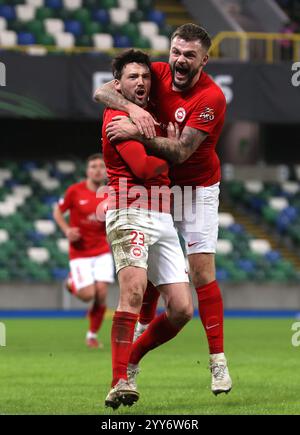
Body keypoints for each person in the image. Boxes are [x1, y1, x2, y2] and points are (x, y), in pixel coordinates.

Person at [94, 23, 232, 395]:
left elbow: (182, 151)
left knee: (201, 272)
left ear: (205, 58)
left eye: (189, 55)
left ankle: (218, 362)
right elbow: (102, 91)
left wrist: (140, 132)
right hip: (158, 192)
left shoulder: (212, 97)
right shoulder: (154, 72)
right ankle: (139, 331)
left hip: (198, 186)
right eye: (175, 51)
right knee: (149, 269)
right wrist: (130, 109)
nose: (179, 60)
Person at [101, 49, 193, 409]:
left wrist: (159, 140)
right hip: (129, 210)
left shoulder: (149, 115)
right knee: (134, 293)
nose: (140, 82)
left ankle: (133, 359)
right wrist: (170, 146)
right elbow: (145, 168)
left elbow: (161, 162)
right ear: (118, 84)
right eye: (132, 77)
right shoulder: (114, 116)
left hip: (162, 217)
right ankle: (117, 381)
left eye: (144, 77)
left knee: (183, 310)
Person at [53, 154, 114, 349]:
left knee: (102, 292)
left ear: (106, 170)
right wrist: (67, 230)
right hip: (80, 252)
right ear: (87, 171)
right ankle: (72, 283)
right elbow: (58, 211)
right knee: (88, 295)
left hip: (102, 249)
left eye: (100, 166)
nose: (97, 170)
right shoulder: (75, 191)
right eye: (93, 166)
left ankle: (92, 335)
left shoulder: (111, 193)